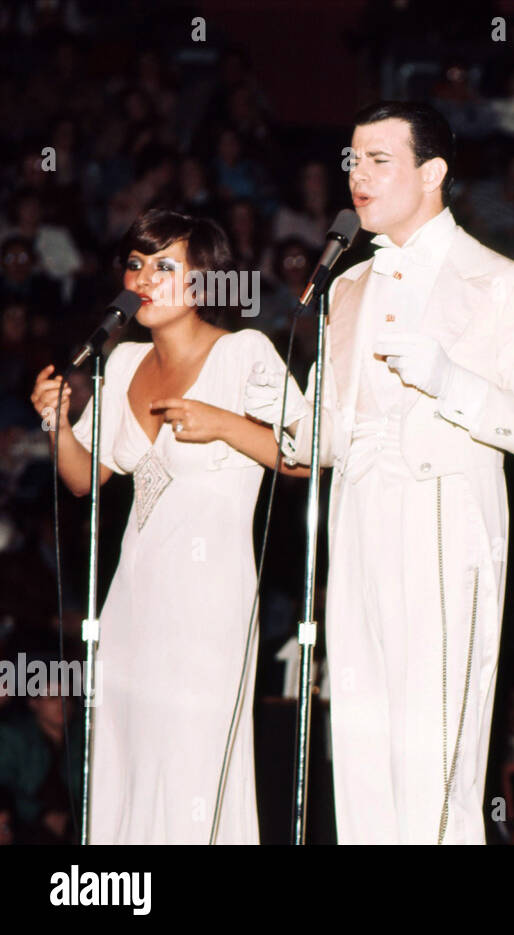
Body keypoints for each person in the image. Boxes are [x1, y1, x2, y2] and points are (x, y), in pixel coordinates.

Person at [245, 101, 514, 844]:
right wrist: (266, 396)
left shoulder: (507, 285)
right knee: (362, 750)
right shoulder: (344, 287)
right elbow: (321, 440)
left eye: (377, 160)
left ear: (432, 173)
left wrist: (452, 380)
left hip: (445, 527)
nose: (357, 177)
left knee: (436, 758)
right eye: (351, 161)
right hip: (359, 529)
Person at [28, 208, 307, 843]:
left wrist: (226, 425)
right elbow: (83, 479)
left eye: (165, 267)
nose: (144, 279)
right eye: (136, 264)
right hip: (134, 596)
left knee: (191, 755)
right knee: (130, 753)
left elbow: (310, 455)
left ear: (206, 283)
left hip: (209, 597)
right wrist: (57, 423)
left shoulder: (244, 352)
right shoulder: (122, 363)